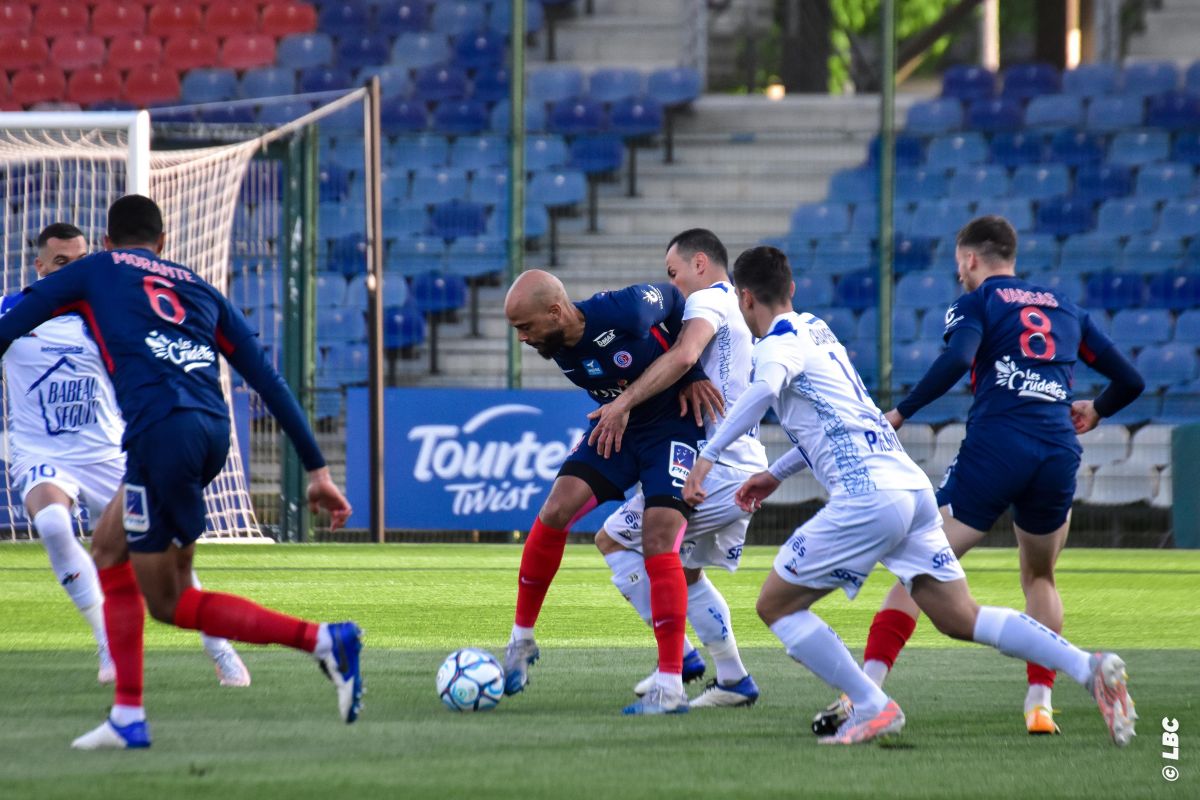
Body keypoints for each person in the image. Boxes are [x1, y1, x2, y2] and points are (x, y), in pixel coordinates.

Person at [682, 245, 1136, 746]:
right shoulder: (817, 331)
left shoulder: (776, 344)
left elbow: (764, 388)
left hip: (868, 496)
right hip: (911, 488)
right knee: (961, 617)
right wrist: (777, 473)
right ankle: (1088, 666)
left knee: (776, 605)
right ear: (790, 289)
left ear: (746, 299)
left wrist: (709, 454)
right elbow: (845, 419)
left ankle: (873, 705)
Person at [0, 196, 360, 750]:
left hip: (157, 432)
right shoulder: (197, 286)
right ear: (163, 243)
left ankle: (323, 641)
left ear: (106, 245)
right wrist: (317, 468)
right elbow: (267, 379)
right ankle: (127, 716)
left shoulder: (97, 271)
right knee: (110, 549)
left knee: (166, 600)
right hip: (211, 433)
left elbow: (11, 324)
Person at [812, 215, 1146, 738]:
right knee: (1039, 576)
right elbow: (1131, 380)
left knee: (916, 564)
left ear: (970, 258)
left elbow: (958, 357)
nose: (959, 276)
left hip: (997, 447)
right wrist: (1098, 410)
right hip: (1057, 450)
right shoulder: (1065, 308)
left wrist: (901, 411)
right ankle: (1040, 705)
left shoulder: (978, 302)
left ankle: (868, 689)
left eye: (958, 266)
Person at [2, 223, 250, 688]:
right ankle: (106, 644)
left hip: (110, 453)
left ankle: (219, 648)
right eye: (60, 264)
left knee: (164, 552)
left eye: (79, 263)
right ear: (39, 267)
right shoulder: (14, 312)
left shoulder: (108, 313)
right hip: (43, 453)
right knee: (53, 524)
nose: (71, 272)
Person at [503, 269, 722, 715]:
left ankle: (670, 685)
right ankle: (520, 640)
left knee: (659, 538)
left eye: (525, 327)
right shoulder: (555, 342)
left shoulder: (623, 308)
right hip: (617, 426)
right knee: (555, 510)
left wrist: (693, 368)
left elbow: (678, 302)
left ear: (556, 310)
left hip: (671, 428)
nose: (522, 339)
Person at [586, 229, 765, 707]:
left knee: (614, 540)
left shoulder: (704, 301)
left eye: (674, 273)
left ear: (700, 264)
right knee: (686, 575)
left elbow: (685, 354)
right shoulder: (741, 310)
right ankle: (733, 680)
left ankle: (679, 659)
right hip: (744, 462)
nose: (673, 287)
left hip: (711, 467)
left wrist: (621, 403)